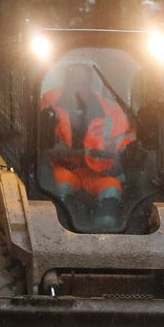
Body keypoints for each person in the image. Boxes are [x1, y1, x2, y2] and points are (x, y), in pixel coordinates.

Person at [40, 59, 134, 226]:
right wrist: (54, 148)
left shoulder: (110, 109)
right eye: (75, 80)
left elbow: (125, 138)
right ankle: (62, 230)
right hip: (64, 168)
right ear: (67, 80)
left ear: (91, 82)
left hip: (98, 172)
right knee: (60, 187)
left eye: (85, 81)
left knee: (112, 188)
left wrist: (123, 154)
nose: (80, 85)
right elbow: (40, 134)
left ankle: (107, 236)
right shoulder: (50, 103)